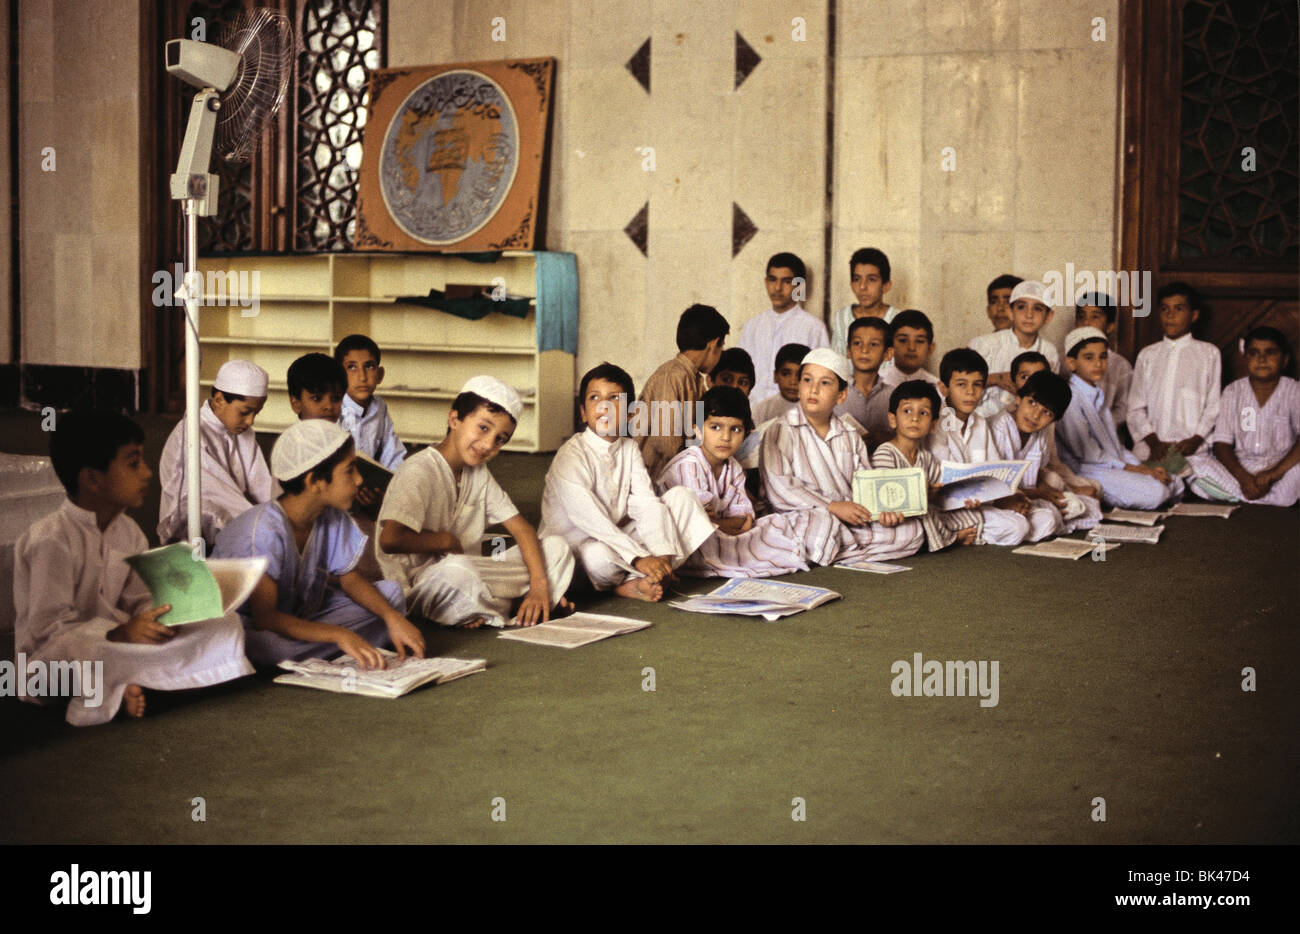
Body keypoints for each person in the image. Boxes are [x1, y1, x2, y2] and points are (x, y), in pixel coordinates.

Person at [15, 412, 252, 725]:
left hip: (118, 647)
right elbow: (49, 632)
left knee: (227, 622)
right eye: (133, 463)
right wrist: (119, 632)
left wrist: (169, 616)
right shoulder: (50, 540)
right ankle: (128, 687)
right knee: (82, 645)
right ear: (92, 480)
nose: (148, 474)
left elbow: (140, 600)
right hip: (50, 665)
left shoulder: (129, 532)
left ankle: (124, 685)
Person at [213, 419, 423, 668]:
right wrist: (340, 634)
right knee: (269, 647)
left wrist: (390, 617)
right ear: (315, 482)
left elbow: (350, 579)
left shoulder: (332, 515)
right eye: (350, 470)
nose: (358, 480)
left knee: (392, 597)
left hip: (301, 613)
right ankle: (344, 644)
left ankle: (332, 645)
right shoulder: (263, 531)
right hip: (257, 626)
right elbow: (265, 618)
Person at [377, 376, 575, 628]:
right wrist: (442, 540)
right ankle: (509, 604)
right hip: (424, 582)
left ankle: (505, 603)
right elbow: (390, 540)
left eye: (500, 439)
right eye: (483, 427)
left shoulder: (478, 473)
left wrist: (539, 585)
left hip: (473, 570)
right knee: (459, 570)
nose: (488, 444)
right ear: (454, 419)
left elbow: (522, 530)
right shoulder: (419, 469)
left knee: (557, 548)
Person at [539, 363, 715, 602]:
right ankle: (628, 582)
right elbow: (590, 519)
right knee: (596, 554)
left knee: (683, 498)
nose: (604, 407)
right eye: (594, 398)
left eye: (614, 399)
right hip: (576, 552)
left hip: (618, 539)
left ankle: (651, 575)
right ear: (583, 412)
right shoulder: (571, 455)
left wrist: (662, 554)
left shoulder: (629, 448)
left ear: (631, 414)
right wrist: (639, 558)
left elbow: (645, 503)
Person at [759, 348, 924, 564]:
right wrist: (832, 507)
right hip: (803, 515)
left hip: (848, 517)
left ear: (841, 395)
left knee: (913, 531)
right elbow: (780, 489)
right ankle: (839, 548)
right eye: (807, 380)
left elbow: (864, 484)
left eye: (825, 383)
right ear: (799, 387)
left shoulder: (849, 434)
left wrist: (881, 512)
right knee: (820, 526)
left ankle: (832, 552)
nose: (814, 389)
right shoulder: (779, 430)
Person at [656, 387, 819, 578]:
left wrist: (719, 522)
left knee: (778, 521)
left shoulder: (733, 467)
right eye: (715, 427)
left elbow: (744, 518)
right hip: (685, 541)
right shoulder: (688, 465)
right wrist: (723, 524)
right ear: (697, 430)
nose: (725, 437)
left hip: (718, 534)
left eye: (735, 429)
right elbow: (701, 524)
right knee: (737, 541)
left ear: (746, 433)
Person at [1055, 327, 1183, 509]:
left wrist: (1145, 469)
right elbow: (1089, 454)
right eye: (1089, 358)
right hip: (1086, 469)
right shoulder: (1069, 398)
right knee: (1158, 492)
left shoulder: (1096, 394)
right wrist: (1139, 470)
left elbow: (1116, 447)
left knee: (1174, 481)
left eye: (1103, 357)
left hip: (1112, 465)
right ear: (1071, 363)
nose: (1098, 364)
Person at [157, 359, 273, 547]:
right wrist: (267, 527)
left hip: (232, 525)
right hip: (187, 537)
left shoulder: (242, 431)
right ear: (219, 400)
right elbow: (218, 498)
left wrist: (285, 513)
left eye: (256, 413)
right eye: (245, 412)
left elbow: (262, 485)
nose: (251, 421)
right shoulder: (191, 434)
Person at [927, 349, 1032, 545]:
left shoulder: (980, 422)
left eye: (977, 385)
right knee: (1018, 527)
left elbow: (994, 470)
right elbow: (938, 478)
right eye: (961, 385)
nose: (970, 392)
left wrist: (1010, 497)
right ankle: (954, 530)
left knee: (1041, 519)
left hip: (979, 502)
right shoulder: (936, 423)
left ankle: (968, 529)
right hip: (945, 506)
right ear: (943, 388)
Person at [1186, 326, 1300, 506]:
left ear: (1284, 360)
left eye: (1270, 353)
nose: (1262, 359)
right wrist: (1244, 478)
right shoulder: (1233, 391)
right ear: (1245, 358)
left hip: (1281, 470)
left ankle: (1241, 497)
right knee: (1193, 463)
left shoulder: (1294, 391)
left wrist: (1273, 474)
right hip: (1241, 469)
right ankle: (1267, 498)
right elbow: (1222, 444)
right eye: (1254, 353)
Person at [870, 381, 982, 551]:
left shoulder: (926, 457)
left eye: (923, 413)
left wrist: (961, 498)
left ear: (933, 425)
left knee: (971, 515)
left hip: (922, 513)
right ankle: (950, 538)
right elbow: (885, 497)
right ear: (893, 419)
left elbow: (941, 494)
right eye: (907, 411)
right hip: (894, 518)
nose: (915, 418)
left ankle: (936, 537)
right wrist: (922, 495)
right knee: (922, 520)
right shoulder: (886, 453)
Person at [987, 370, 1095, 539]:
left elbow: (1034, 476)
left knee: (1083, 509)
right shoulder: (999, 429)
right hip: (995, 499)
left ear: (1053, 420)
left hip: (1025, 496)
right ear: (1018, 398)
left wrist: (1050, 493)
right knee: (1037, 522)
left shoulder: (1040, 435)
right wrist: (1040, 494)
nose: (1035, 415)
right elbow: (992, 486)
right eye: (1032, 403)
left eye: (1047, 413)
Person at [1127, 281, 1222, 469]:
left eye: (1178, 309)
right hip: (1151, 447)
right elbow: (1135, 407)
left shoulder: (1208, 354)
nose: (1170, 315)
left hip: (1193, 450)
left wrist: (1196, 439)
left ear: (1194, 315)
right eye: (1164, 309)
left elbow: (1214, 406)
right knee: (1147, 483)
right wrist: (1153, 441)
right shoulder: (1148, 355)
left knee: (1198, 481)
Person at [637, 303, 729, 480]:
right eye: (721, 347)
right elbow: (667, 442)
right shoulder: (672, 375)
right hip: (656, 478)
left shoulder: (694, 379)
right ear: (713, 344)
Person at [738, 252, 829, 402]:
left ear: (799, 285)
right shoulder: (752, 326)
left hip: (795, 409)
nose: (778, 288)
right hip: (754, 407)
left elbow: (821, 374)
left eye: (786, 281)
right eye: (773, 280)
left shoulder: (813, 327)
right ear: (766, 282)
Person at [970, 279, 1059, 418]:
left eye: (1037, 308)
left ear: (1049, 316)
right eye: (1021, 307)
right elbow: (958, 383)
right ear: (1010, 312)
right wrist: (996, 378)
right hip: (981, 421)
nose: (1029, 315)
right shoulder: (984, 344)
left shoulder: (1049, 351)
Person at [335, 333, 407, 470]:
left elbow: (392, 454)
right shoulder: (333, 409)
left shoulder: (380, 407)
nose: (362, 377)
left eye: (369, 366)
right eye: (351, 367)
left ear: (379, 375)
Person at [1067, 291, 1132, 434]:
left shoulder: (1120, 365)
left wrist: (1099, 424)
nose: (1086, 323)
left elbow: (1124, 408)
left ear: (1109, 326)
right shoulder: (1065, 360)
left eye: (1095, 317)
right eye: (1081, 316)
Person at [834, 316, 893, 450]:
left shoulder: (895, 396)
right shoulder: (834, 393)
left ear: (888, 353)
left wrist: (888, 439)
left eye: (873, 344)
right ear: (848, 351)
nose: (864, 350)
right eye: (857, 343)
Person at [829, 247, 898, 353]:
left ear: (886, 285)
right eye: (857, 279)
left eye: (871, 279)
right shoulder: (842, 317)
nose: (862, 286)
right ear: (851, 284)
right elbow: (836, 359)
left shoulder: (897, 319)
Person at [878, 309, 941, 389]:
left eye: (919, 341)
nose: (911, 348)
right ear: (890, 346)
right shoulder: (876, 383)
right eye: (903, 340)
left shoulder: (937, 388)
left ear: (930, 348)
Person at [751, 342, 811, 425]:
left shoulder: (817, 410)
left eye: (799, 375)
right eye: (786, 374)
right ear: (775, 376)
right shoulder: (761, 411)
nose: (793, 382)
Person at [287, 352, 346, 421]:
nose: (329, 406)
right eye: (317, 398)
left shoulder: (344, 430)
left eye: (336, 398)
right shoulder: (292, 432)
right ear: (296, 404)